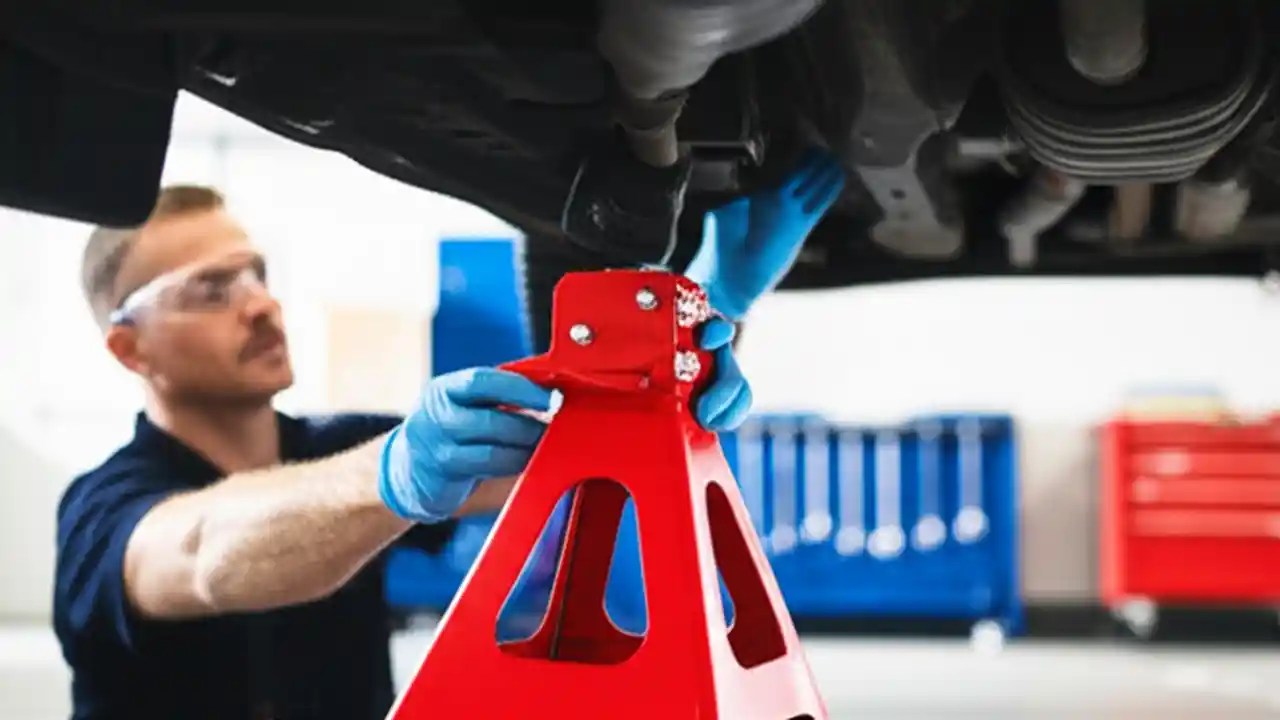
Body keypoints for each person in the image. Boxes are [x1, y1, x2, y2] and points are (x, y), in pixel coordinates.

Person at [53, 152, 843, 719]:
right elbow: (200, 554)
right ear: (129, 348)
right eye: (211, 290)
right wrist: (390, 477)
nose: (259, 304)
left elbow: (583, 446)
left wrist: (705, 317)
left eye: (257, 273)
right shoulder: (102, 509)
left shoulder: (337, 447)